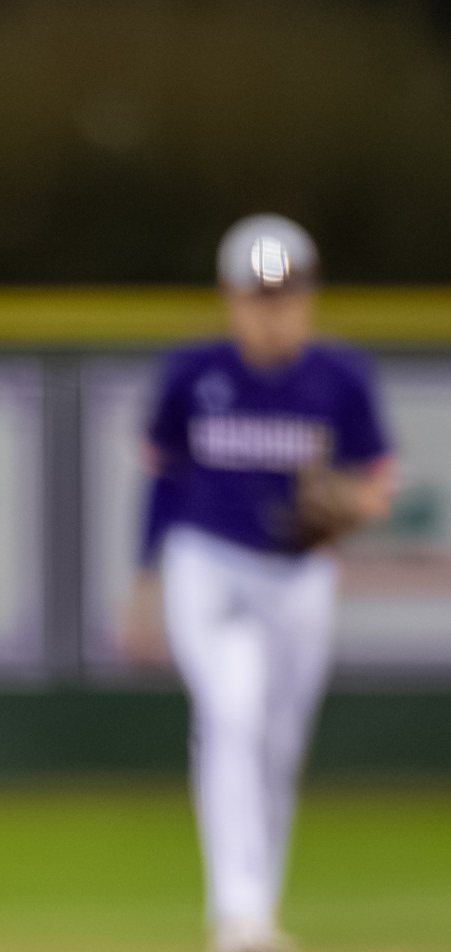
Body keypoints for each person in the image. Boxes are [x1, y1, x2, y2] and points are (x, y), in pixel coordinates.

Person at [132, 214, 394, 952]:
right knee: (232, 713)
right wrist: (144, 579)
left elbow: (379, 479)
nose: (272, 308)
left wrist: (354, 505)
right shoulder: (193, 374)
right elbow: (162, 478)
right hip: (204, 562)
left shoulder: (342, 377)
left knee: (277, 746)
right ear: (230, 295)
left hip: (298, 573)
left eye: (285, 294)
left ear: (308, 296)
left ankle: (257, 910)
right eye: (258, 294)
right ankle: (237, 914)